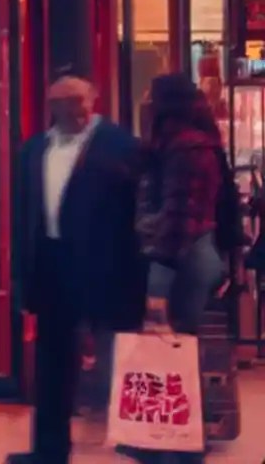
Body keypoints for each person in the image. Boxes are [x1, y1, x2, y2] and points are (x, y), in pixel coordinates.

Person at [6, 76, 147, 464]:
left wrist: (141, 272)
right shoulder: (34, 150)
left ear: (94, 99)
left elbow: (139, 211)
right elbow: (23, 217)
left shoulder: (122, 146)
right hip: (51, 264)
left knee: (117, 355)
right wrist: (21, 276)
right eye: (62, 103)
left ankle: (145, 440)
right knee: (52, 361)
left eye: (78, 101)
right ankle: (49, 449)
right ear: (51, 106)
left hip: (107, 264)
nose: (72, 110)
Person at [126, 74, 232, 464]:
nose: (145, 98)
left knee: (170, 350)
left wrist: (159, 281)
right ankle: (176, 438)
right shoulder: (184, 142)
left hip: (179, 257)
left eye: (151, 92)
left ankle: (174, 441)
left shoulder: (184, 147)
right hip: (191, 253)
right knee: (179, 349)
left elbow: (178, 216)